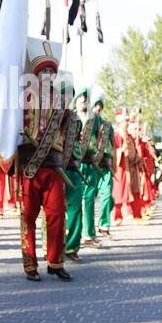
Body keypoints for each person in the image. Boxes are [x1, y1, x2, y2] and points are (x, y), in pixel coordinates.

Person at [17, 38, 71, 281]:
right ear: (36, 74)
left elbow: (70, 129)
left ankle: (55, 262)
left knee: (58, 213)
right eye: (44, 71)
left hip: (54, 165)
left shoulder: (61, 101)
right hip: (30, 164)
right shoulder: (23, 96)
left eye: (52, 71)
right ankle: (30, 265)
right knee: (28, 216)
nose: (48, 74)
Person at [59, 78, 86, 262]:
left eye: (70, 95)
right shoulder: (49, 116)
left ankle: (71, 247)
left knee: (76, 209)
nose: (66, 98)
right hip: (55, 169)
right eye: (64, 94)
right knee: (55, 211)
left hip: (73, 169)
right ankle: (53, 247)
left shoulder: (77, 120)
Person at [77, 90, 108, 248]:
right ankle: (77, 237)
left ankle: (88, 234)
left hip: (90, 164)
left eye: (86, 100)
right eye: (81, 100)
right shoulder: (71, 117)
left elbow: (100, 141)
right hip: (74, 164)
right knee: (76, 202)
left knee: (88, 200)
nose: (84, 102)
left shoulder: (95, 120)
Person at [90, 96, 116, 237]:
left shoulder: (107, 125)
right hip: (91, 165)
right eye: (95, 105)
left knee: (107, 196)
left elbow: (113, 145)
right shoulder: (86, 122)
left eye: (100, 106)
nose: (98, 108)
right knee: (88, 198)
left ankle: (104, 225)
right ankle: (87, 229)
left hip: (105, 165)